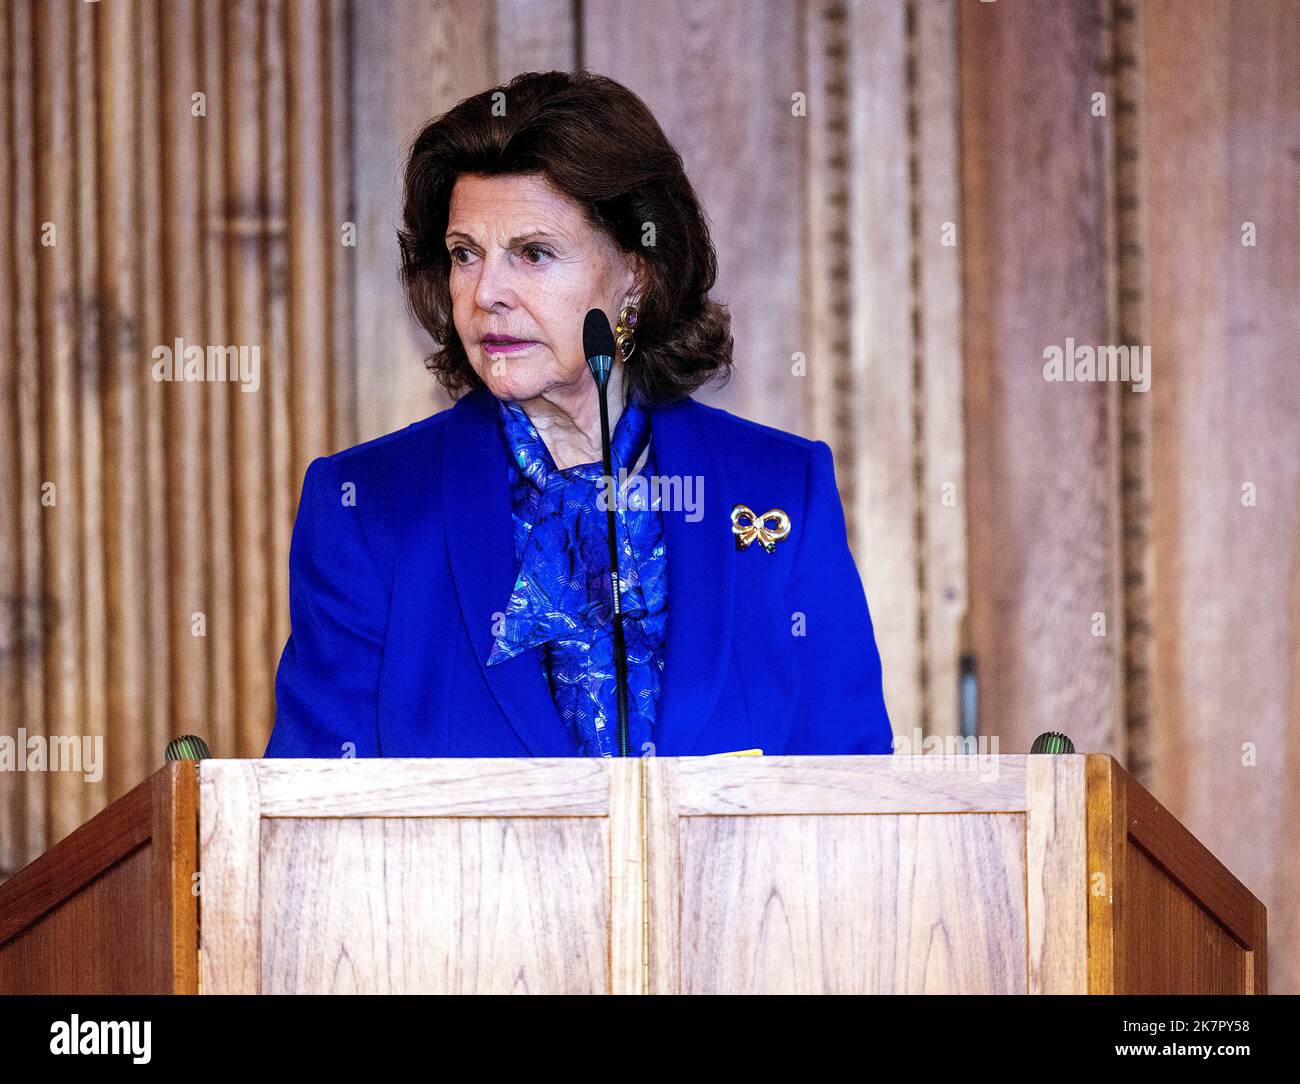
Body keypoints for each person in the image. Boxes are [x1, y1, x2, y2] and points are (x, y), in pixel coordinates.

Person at [263, 69, 891, 759]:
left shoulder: (779, 488)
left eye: (533, 254)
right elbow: (309, 827)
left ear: (637, 274)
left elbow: (855, 794)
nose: (486, 293)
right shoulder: (365, 508)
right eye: (464, 255)